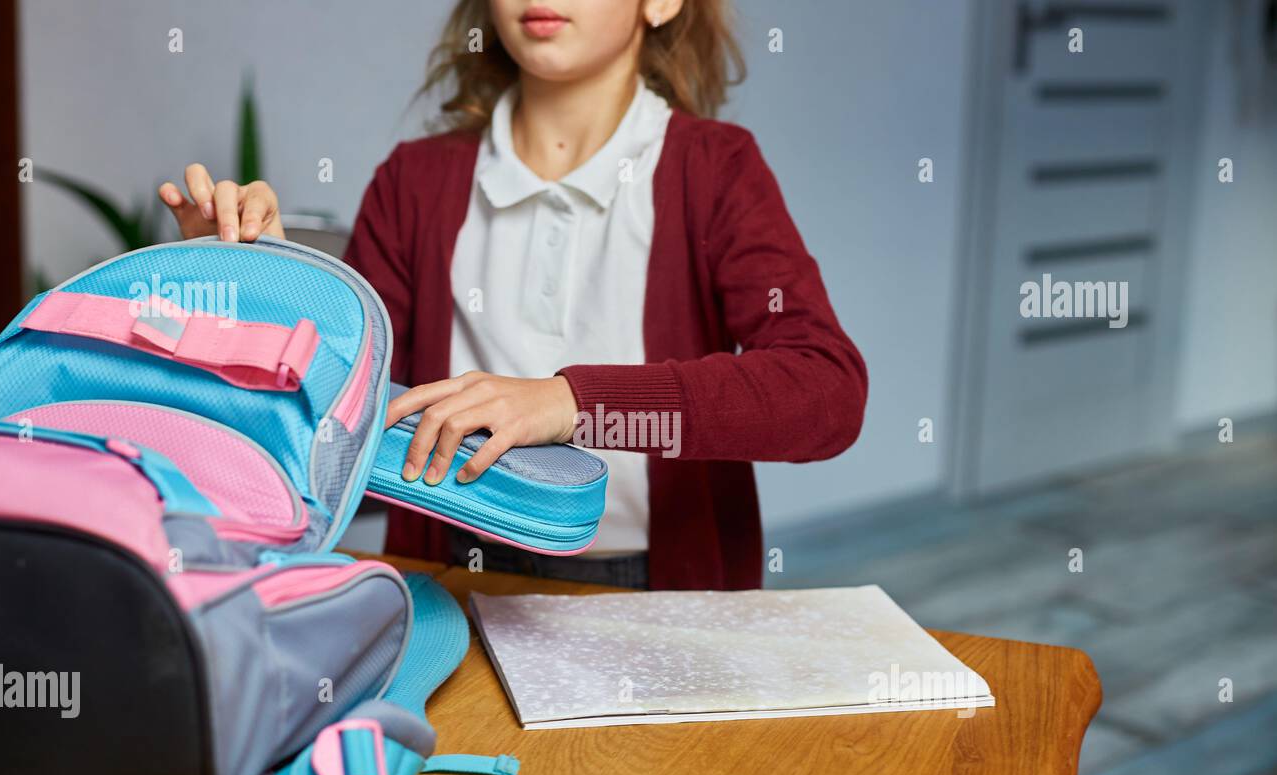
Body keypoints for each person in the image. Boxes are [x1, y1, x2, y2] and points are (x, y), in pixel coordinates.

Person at [159, 0, 867, 590]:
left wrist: (571, 404)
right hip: (448, 582)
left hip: (659, 590)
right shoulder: (415, 182)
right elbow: (341, 406)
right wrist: (262, 281)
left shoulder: (716, 171)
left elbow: (826, 391)